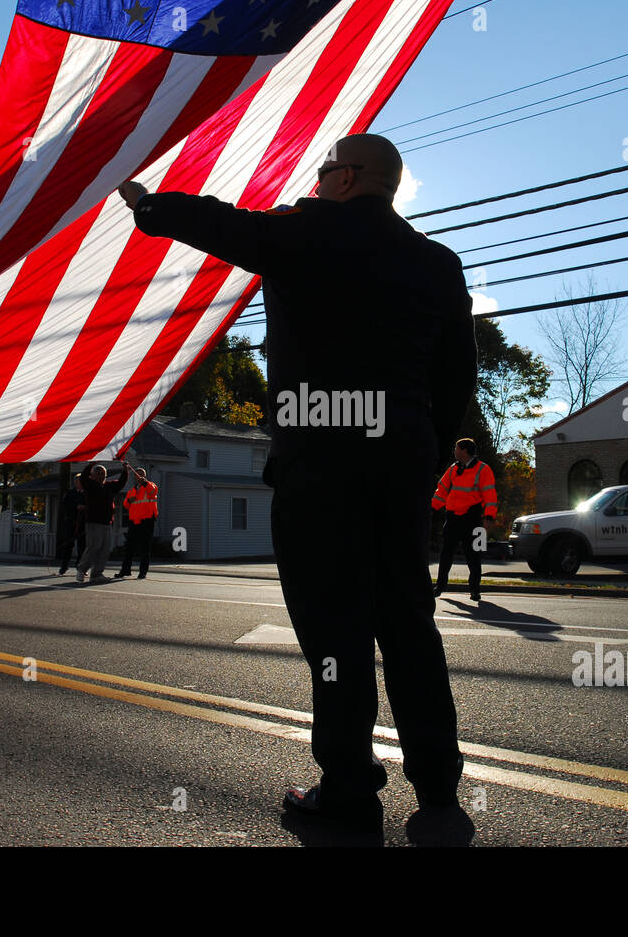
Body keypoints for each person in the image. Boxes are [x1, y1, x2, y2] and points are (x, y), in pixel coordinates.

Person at [118, 132, 476, 825]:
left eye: (323, 169)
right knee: (409, 624)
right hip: (400, 458)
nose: (315, 180)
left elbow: (218, 222)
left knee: (335, 631)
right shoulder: (436, 262)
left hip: (322, 460)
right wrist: (421, 452)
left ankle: (347, 794)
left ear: (347, 178)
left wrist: (147, 204)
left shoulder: (306, 232)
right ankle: (440, 798)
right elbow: (456, 374)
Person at [432, 438, 498, 602]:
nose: (454, 451)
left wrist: (489, 517)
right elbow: (441, 490)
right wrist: (431, 509)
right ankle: (440, 586)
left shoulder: (483, 469)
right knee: (446, 553)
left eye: (456, 448)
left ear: (464, 450)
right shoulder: (454, 468)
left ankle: (475, 590)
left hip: (473, 519)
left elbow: (490, 495)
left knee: (474, 555)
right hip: (453, 518)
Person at [74, 462, 128, 584]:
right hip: (93, 522)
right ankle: (81, 570)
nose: (101, 475)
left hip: (106, 522)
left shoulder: (109, 486)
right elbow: (83, 477)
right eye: (97, 473)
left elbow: (120, 483)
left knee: (104, 549)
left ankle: (97, 574)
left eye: (103, 473)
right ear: (92, 475)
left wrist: (125, 470)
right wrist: (92, 464)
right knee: (93, 546)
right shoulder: (90, 485)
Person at [119, 467, 158, 579]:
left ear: (144, 476)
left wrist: (144, 482)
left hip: (147, 520)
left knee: (144, 547)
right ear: (135, 477)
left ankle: (143, 572)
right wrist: (128, 501)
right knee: (129, 547)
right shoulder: (132, 490)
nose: (139, 476)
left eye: (141, 474)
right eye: (137, 474)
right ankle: (125, 570)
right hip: (134, 520)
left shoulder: (150, 485)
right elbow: (126, 504)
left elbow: (152, 492)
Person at [56, 471, 86, 576]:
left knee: (82, 546)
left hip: (83, 523)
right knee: (68, 545)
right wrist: (75, 507)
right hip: (71, 522)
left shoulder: (87, 493)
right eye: (78, 481)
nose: (80, 483)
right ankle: (64, 566)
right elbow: (64, 506)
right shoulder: (70, 493)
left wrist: (84, 508)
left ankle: (80, 567)